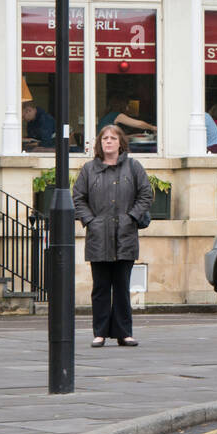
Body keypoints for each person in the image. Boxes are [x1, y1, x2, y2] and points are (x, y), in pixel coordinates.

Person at [73, 124, 153, 347]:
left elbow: (145, 194)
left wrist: (132, 217)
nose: (108, 141)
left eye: (112, 138)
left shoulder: (133, 167)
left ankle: (124, 332)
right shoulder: (89, 170)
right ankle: (99, 332)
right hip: (98, 237)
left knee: (121, 287)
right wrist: (91, 221)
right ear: (99, 144)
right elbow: (78, 197)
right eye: (104, 138)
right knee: (100, 287)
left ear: (120, 143)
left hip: (125, 236)